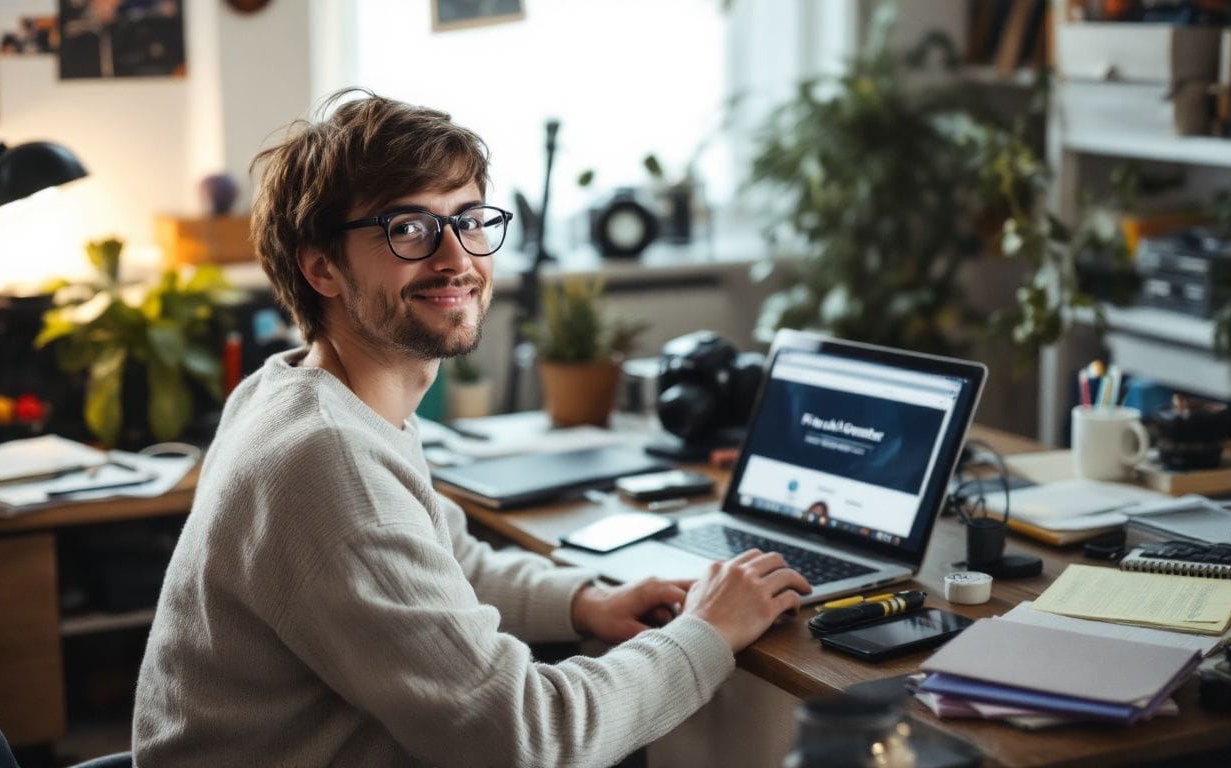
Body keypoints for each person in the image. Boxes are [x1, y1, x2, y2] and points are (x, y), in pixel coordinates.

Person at [132, 88, 811, 767]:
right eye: (409, 228)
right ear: (321, 267)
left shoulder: (304, 392)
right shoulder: (328, 459)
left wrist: (589, 601)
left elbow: (453, 566)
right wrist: (706, 633)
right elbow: (527, 741)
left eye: (468, 220)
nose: (456, 259)